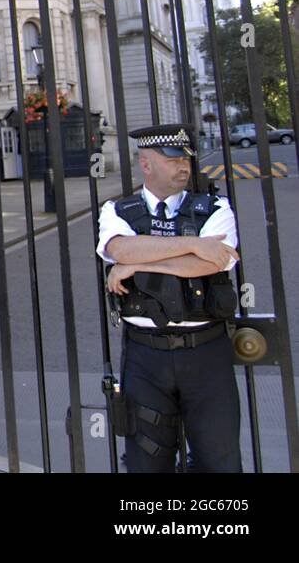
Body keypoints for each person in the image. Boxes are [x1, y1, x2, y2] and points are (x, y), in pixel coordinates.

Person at [96, 123, 241, 473]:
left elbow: (216, 260)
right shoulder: (117, 211)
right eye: (173, 159)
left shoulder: (215, 207)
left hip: (207, 353)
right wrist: (193, 244)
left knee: (218, 458)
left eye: (186, 159)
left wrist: (136, 265)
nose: (184, 166)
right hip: (145, 356)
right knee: (146, 461)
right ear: (146, 165)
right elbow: (118, 248)